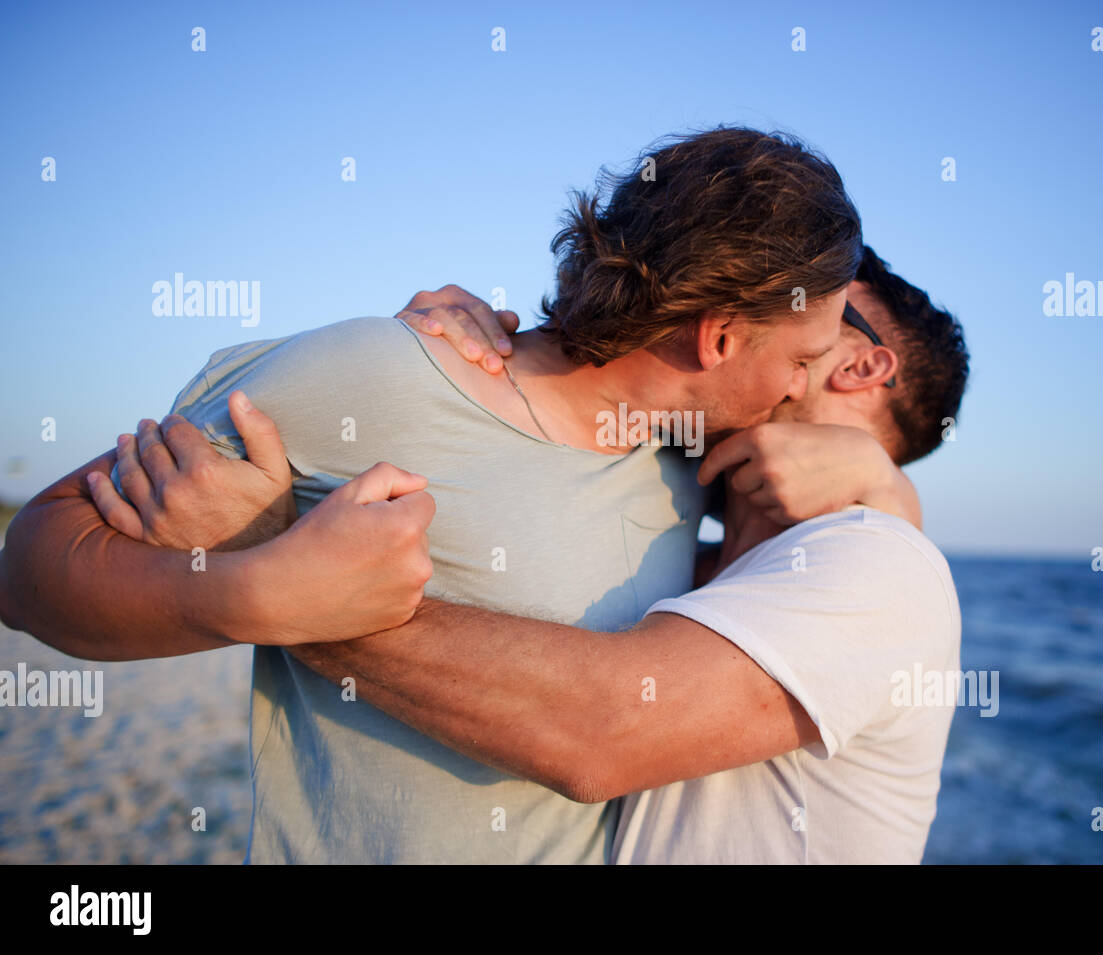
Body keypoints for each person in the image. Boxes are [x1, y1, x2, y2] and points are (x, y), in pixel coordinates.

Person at [0, 126, 874, 863]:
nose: (801, 392)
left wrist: (879, 488)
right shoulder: (378, 377)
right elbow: (32, 562)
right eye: (801, 360)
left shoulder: (689, 454)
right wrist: (250, 589)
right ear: (719, 335)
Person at [88, 245, 972, 863]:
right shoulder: (695, 523)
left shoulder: (878, 563)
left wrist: (273, 564)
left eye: (810, 310)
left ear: (857, 364)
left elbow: (601, 729)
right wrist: (474, 356)